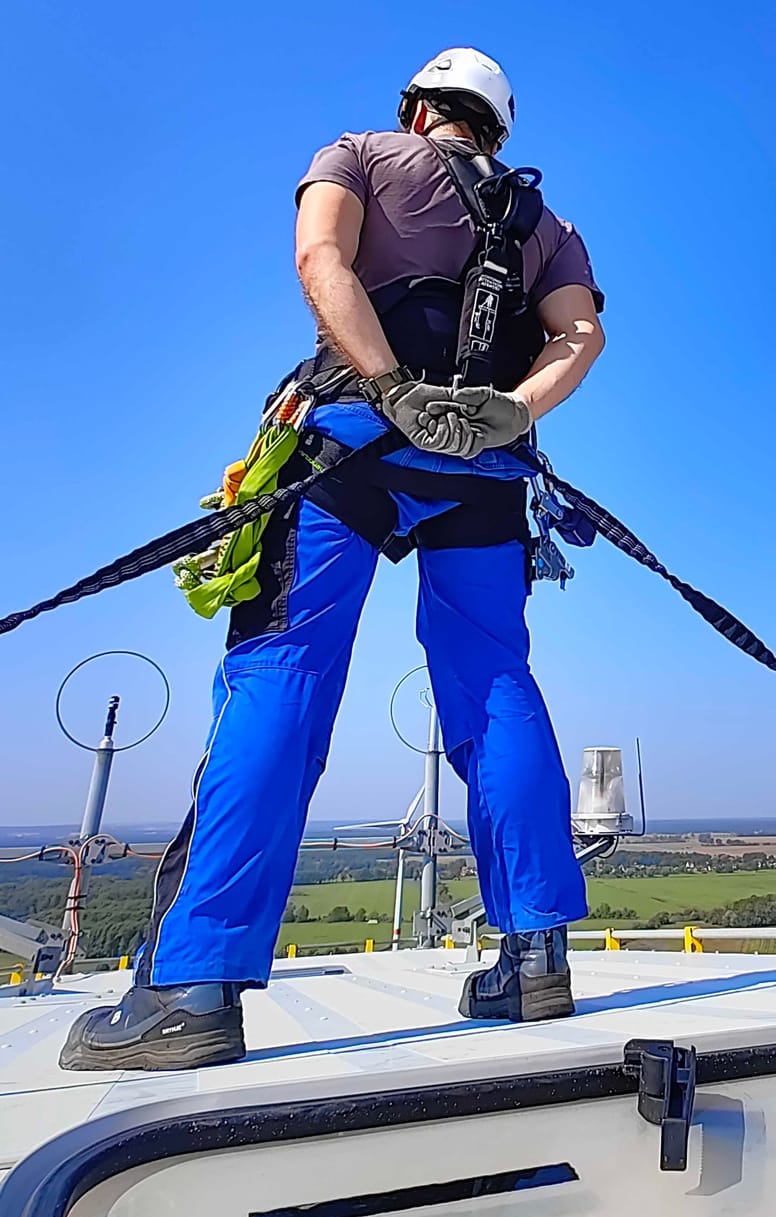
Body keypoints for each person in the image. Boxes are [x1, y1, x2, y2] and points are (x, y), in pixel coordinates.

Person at [62, 48, 604, 1071]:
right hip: (483, 469)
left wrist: (393, 387)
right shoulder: (549, 226)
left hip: (348, 446)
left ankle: (193, 987)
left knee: (285, 674)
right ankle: (534, 955)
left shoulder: (359, 153)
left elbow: (324, 263)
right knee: (493, 680)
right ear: (497, 128)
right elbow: (579, 335)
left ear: (418, 107)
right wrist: (502, 411)